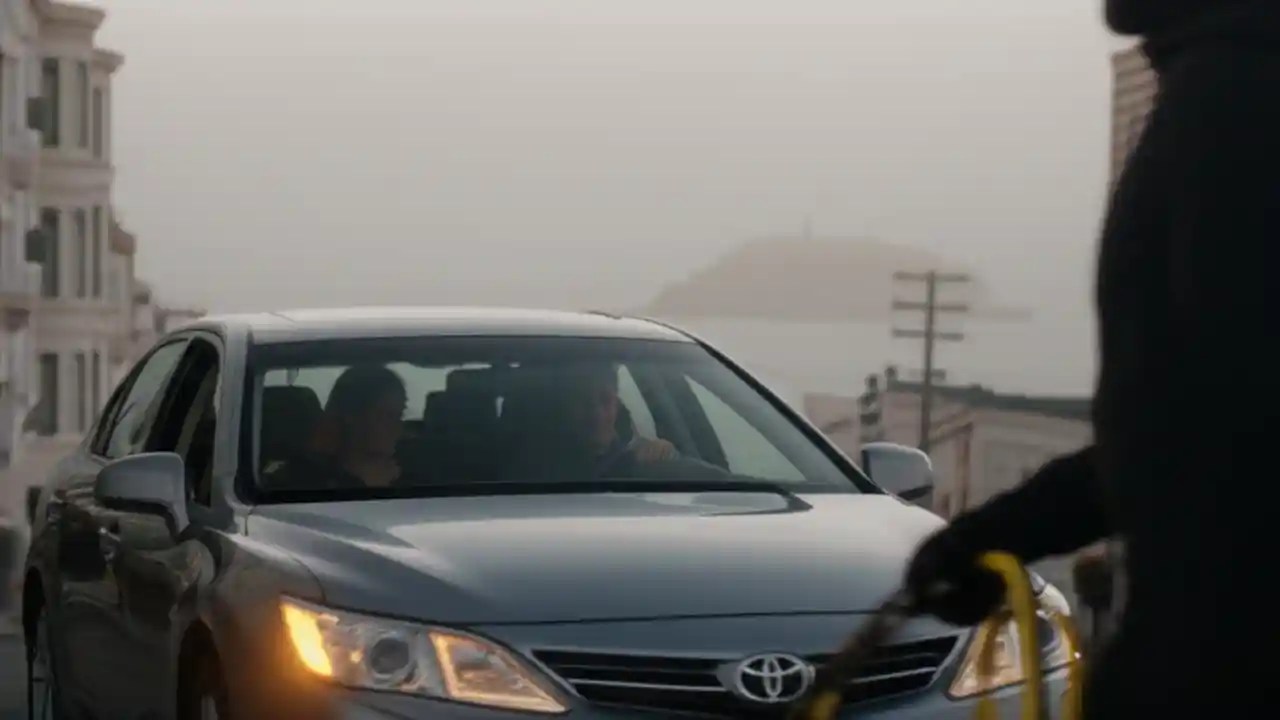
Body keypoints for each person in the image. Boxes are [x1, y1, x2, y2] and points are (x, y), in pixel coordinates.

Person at [902, 1, 1278, 717]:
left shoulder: (1234, 99)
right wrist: (1007, 533)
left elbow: (1221, 416)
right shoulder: (1225, 78)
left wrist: (1011, 529)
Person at [264, 365, 408, 490]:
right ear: (352, 416)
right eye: (387, 417)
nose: (397, 427)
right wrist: (363, 485)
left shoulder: (414, 477)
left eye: (400, 415)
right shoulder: (299, 480)